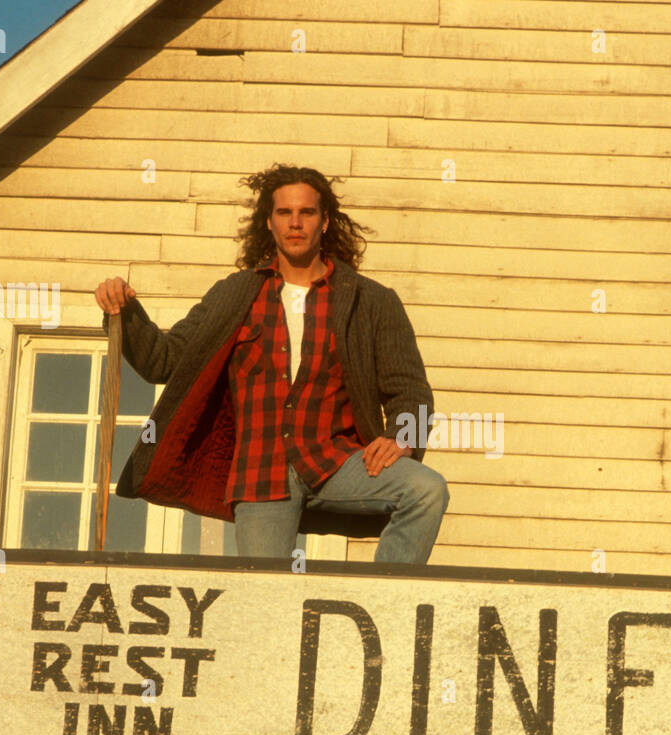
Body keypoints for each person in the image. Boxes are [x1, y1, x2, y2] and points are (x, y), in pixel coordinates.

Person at [94, 164, 449, 564]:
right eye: (284, 213)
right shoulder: (237, 294)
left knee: (426, 489)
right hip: (261, 475)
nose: (295, 223)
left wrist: (403, 435)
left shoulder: (371, 300)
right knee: (265, 603)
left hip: (337, 461)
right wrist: (125, 313)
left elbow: (411, 390)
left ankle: (384, 603)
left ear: (325, 221)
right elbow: (164, 360)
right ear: (270, 222)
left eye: (307, 213)